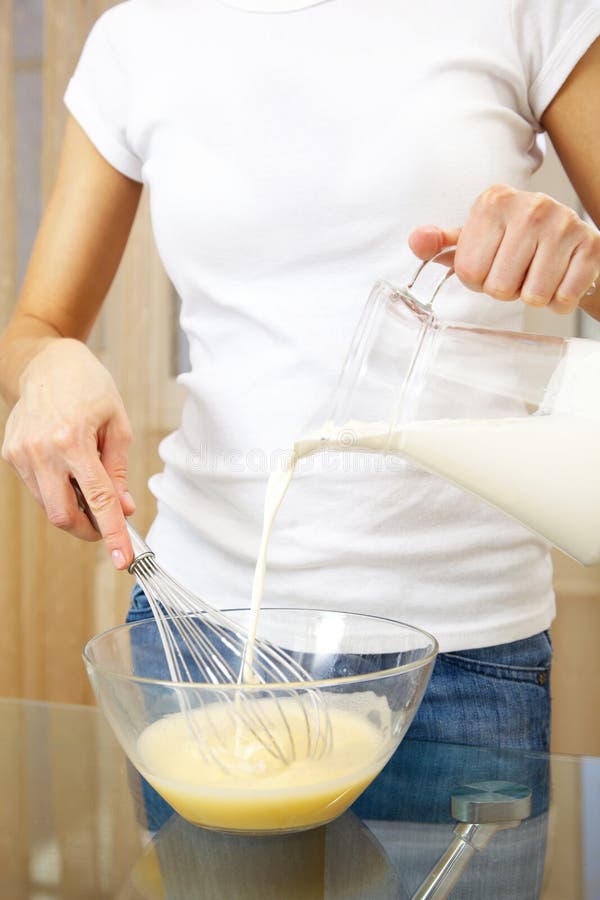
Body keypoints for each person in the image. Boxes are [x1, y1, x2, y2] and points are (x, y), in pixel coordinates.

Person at [1, 0, 600, 756]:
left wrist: (581, 263)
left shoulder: (527, 10)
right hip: (203, 635)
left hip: (461, 652)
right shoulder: (138, 36)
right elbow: (38, 328)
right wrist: (50, 364)